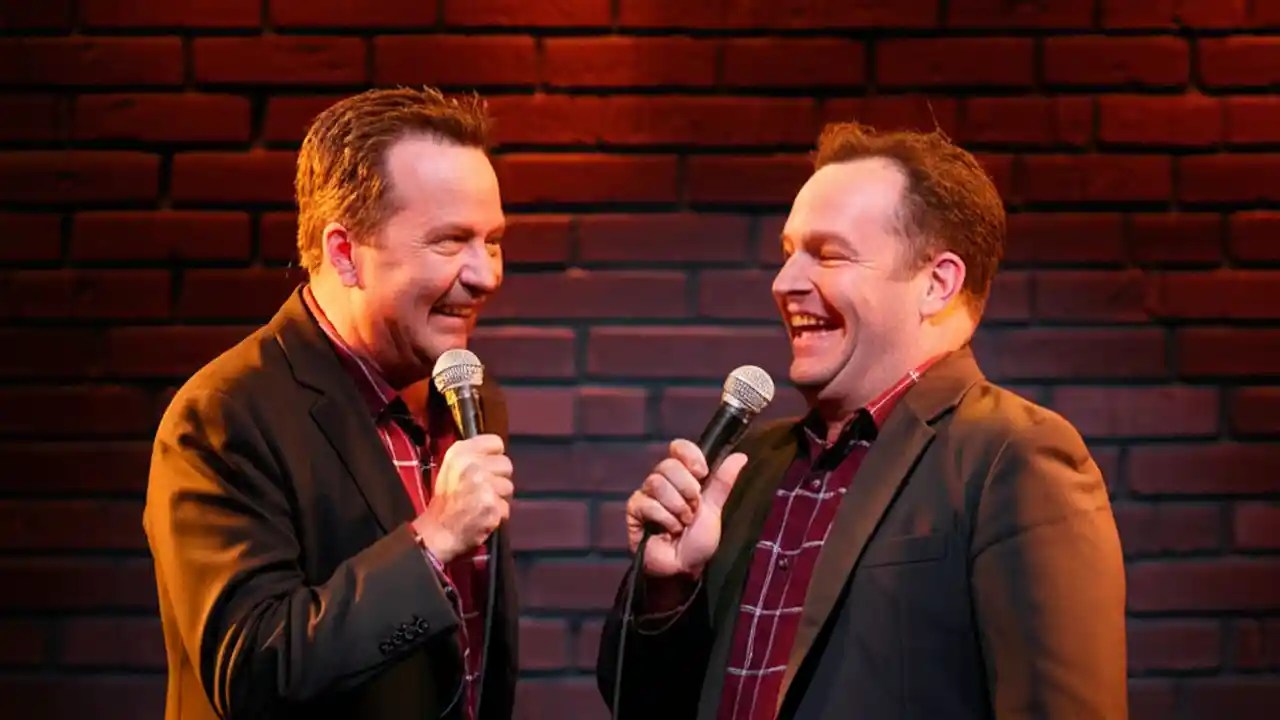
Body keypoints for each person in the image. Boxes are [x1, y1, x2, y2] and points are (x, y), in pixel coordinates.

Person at [598, 122, 1127, 719]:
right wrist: (668, 590)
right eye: (787, 254)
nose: (784, 283)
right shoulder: (750, 469)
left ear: (937, 283)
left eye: (828, 255)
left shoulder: (1014, 456)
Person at [144, 87, 517, 720]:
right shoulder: (223, 414)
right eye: (451, 242)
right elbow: (254, 672)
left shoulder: (467, 394)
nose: (486, 274)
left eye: (494, 240)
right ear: (346, 253)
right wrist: (433, 540)